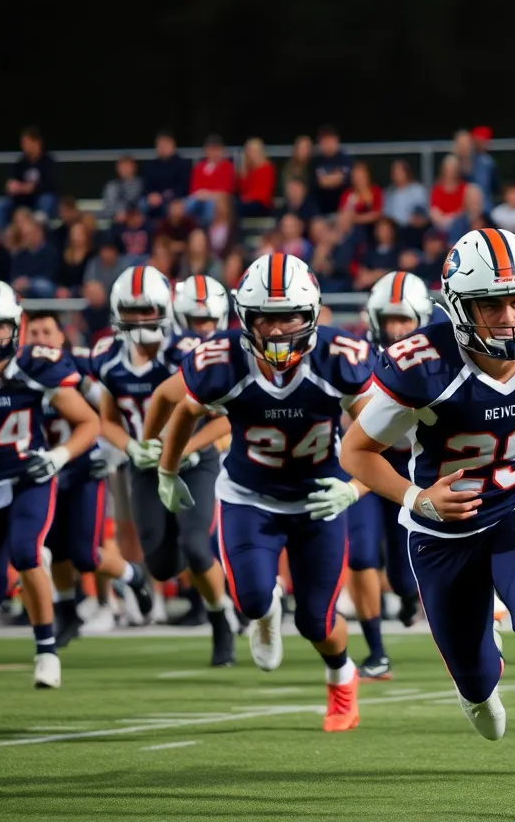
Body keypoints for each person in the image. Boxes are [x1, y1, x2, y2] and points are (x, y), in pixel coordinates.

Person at [342, 228, 515, 822]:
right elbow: (356, 451)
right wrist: (416, 496)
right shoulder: (423, 363)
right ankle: (477, 681)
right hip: (443, 527)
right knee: (475, 679)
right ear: (458, 307)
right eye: (491, 303)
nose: (509, 315)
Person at [158, 253, 374, 732]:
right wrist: (167, 470)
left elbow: (379, 438)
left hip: (319, 499)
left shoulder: (340, 360)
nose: (276, 330)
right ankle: (264, 613)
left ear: (312, 313)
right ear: (245, 318)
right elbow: (183, 412)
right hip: (248, 495)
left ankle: (341, 677)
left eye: (288, 316)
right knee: (253, 599)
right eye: (265, 318)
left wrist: (355, 489)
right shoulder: (223, 361)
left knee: (316, 621)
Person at [0, 279, 100, 688]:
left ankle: (46, 651)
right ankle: (28, 580)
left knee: (26, 550)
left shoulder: (36, 366)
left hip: (27, 477)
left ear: (16, 324)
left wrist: (57, 456)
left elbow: (89, 422)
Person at [91, 265, 237, 666]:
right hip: (145, 465)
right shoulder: (108, 357)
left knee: (194, 545)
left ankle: (220, 617)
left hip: (194, 460)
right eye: (132, 311)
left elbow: (228, 415)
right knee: (160, 564)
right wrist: (131, 447)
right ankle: (145, 581)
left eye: (148, 309)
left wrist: (190, 445)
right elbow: (107, 419)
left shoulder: (189, 353)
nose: (140, 320)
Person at [23, 312, 154, 646]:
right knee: (52, 546)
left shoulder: (80, 364)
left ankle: (132, 575)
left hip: (83, 469)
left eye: (46, 331)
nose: (40, 337)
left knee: (86, 553)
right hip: (43, 472)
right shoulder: (17, 369)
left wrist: (111, 453)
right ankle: (67, 609)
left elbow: (115, 411)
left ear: (61, 335)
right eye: (33, 331)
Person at [346, 270, 435, 679]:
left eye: (404, 319)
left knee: (404, 572)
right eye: (389, 320)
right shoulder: (353, 357)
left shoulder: (436, 356)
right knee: (361, 553)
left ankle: (405, 596)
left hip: (410, 467)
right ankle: (376, 651)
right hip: (363, 461)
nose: (397, 329)